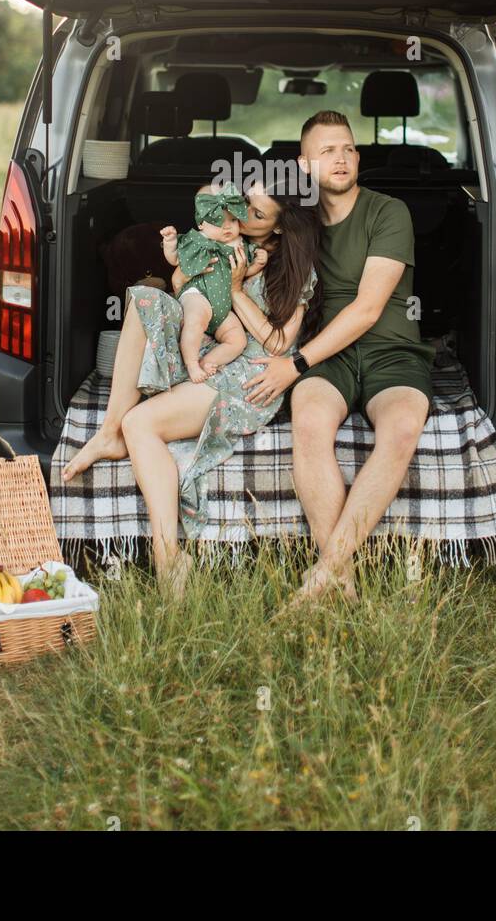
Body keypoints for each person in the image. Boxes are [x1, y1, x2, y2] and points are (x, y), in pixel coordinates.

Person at [60, 190, 320, 599]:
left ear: (280, 225)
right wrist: (194, 278)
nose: (240, 215)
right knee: (144, 297)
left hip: (249, 378)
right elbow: (180, 282)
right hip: (206, 349)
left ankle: (168, 556)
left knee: (140, 423)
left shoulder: (293, 269)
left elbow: (277, 343)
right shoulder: (224, 240)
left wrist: (235, 289)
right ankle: (109, 431)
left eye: (254, 212)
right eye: (240, 205)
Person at [243, 110, 435, 605]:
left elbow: (368, 309)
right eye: (326, 150)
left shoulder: (387, 211)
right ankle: (342, 583)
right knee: (307, 420)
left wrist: (295, 364)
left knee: (402, 427)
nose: (341, 157)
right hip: (331, 357)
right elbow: (231, 225)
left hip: (391, 352)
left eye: (348, 148)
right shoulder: (297, 226)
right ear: (304, 166)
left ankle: (326, 572)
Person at [161, 181, 267, 382]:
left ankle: (208, 361)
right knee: (195, 321)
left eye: (233, 220)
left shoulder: (241, 246)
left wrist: (257, 264)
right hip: (198, 295)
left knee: (238, 340)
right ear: (201, 223)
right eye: (218, 221)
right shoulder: (198, 240)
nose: (227, 226)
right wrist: (170, 243)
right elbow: (175, 260)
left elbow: (242, 272)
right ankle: (191, 364)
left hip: (223, 308)